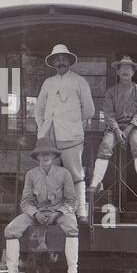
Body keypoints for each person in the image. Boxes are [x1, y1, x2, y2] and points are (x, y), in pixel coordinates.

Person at [0, 140, 81, 273]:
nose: (45, 157)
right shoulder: (31, 175)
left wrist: (57, 213)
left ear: (54, 156)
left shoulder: (64, 174)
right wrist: (35, 214)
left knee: (72, 227)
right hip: (37, 213)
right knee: (11, 230)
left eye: (48, 154)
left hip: (59, 213)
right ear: (37, 157)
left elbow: (72, 201)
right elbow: (25, 201)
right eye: (42, 154)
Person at [34, 43, 96, 220]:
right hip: (48, 136)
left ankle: (80, 212)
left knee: (75, 173)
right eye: (57, 59)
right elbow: (39, 109)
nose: (61, 62)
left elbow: (89, 110)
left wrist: (72, 122)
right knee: (47, 173)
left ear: (69, 61)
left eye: (64, 58)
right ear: (53, 63)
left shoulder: (79, 81)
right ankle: (48, 212)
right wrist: (42, 128)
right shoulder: (48, 83)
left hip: (71, 135)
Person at [89, 55, 137, 198]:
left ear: (133, 72)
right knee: (105, 144)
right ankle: (96, 181)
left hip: (136, 126)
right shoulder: (111, 92)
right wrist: (117, 130)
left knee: (136, 142)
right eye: (122, 68)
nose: (125, 71)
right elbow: (109, 114)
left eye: (129, 68)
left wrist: (128, 129)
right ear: (117, 72)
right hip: (115, 126)